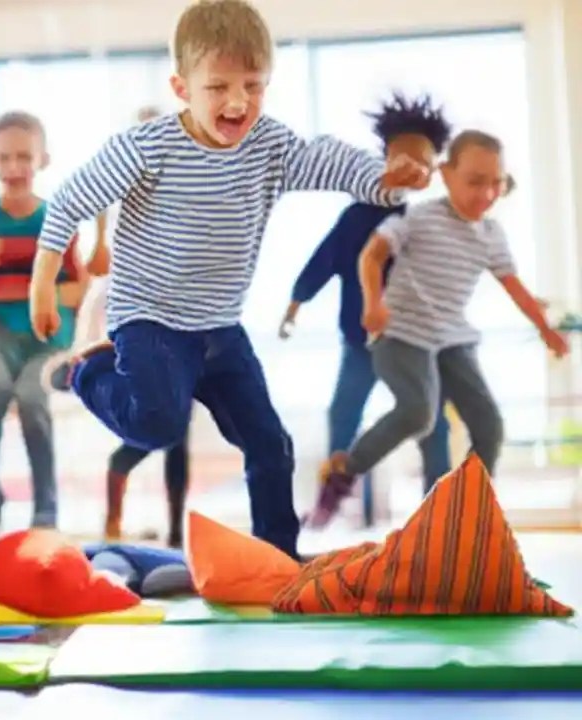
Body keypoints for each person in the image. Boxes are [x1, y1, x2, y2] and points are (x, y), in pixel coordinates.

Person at [28, 0, 430, 559]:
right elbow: (70, 200)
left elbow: (329, 161)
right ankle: (87, 371)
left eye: (253, 85)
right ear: (181, 87)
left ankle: (277, 559)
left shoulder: (270, 146)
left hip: (220, 326)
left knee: (271, 444)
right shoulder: (149, 148)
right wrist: (42, 283)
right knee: (156, 424)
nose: (238, 101)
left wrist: (386, 179)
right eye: (218, 86)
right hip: (149, 321)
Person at [306, 130, 569, 527]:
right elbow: (371, 256)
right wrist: (373, 303)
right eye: (475, 182)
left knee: (489, 426)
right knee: (418, 413)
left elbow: (516, 289)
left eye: (495, 183)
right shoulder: (418, 217)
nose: (486, 194)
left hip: (452, 339)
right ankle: (344, 471)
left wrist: (546, 330)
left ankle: (468, 515)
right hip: (401, 334)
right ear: (445, 174)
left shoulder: (491, 235)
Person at [280, 92, 454, 497]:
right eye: (402, 160)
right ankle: (334, 494)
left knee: (430, 421)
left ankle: (441, 499)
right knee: (343, 415)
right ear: (385, 161)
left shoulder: (424, 221)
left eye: (422, 164)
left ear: (434, 171)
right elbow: (322, 261)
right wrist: (294, 305)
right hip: (360, 341)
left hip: (412, 342)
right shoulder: (357, 215)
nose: (411, 170)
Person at [46, 104, 191, 545]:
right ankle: (115, 520)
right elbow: (102, 262)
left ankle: (173, 530)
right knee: (145, 429)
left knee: (175, 434)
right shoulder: (120, 187)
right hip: (124, 325)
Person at [0, 111, 86, 544]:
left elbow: (77, 290)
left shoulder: (59, 219)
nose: (13, 168)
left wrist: (39, 294)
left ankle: (46, 507)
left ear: (43, 159)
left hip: (47, 340)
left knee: (30, 398)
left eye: (24, 157)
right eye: (3, 158)